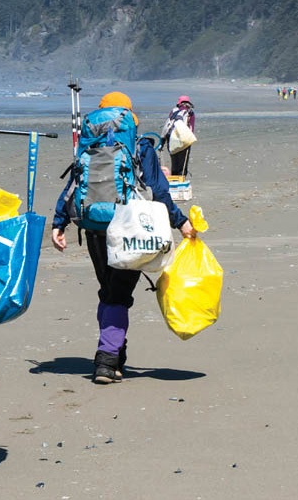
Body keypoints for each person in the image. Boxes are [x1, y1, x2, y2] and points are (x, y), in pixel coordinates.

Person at [52, 92, 195, 384]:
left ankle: (116, 355)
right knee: (118, 294)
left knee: (108, 291)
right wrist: (181, 223)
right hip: (131, 229)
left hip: (94, 227)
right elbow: (159, 192)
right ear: (130, 117)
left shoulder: (88, 147)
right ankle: (106, 360)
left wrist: (59, 222)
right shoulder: (141, 147)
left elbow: (73, 185)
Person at [162, 95, 196, 176]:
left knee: (174, 163)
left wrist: (162, 140)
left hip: (171, 139)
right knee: (183, 164)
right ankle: (181, 181)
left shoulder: (174, 111)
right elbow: (191, 128)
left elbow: (167, 125)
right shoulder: (190, 113)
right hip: (183, 141)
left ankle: (174, 180)